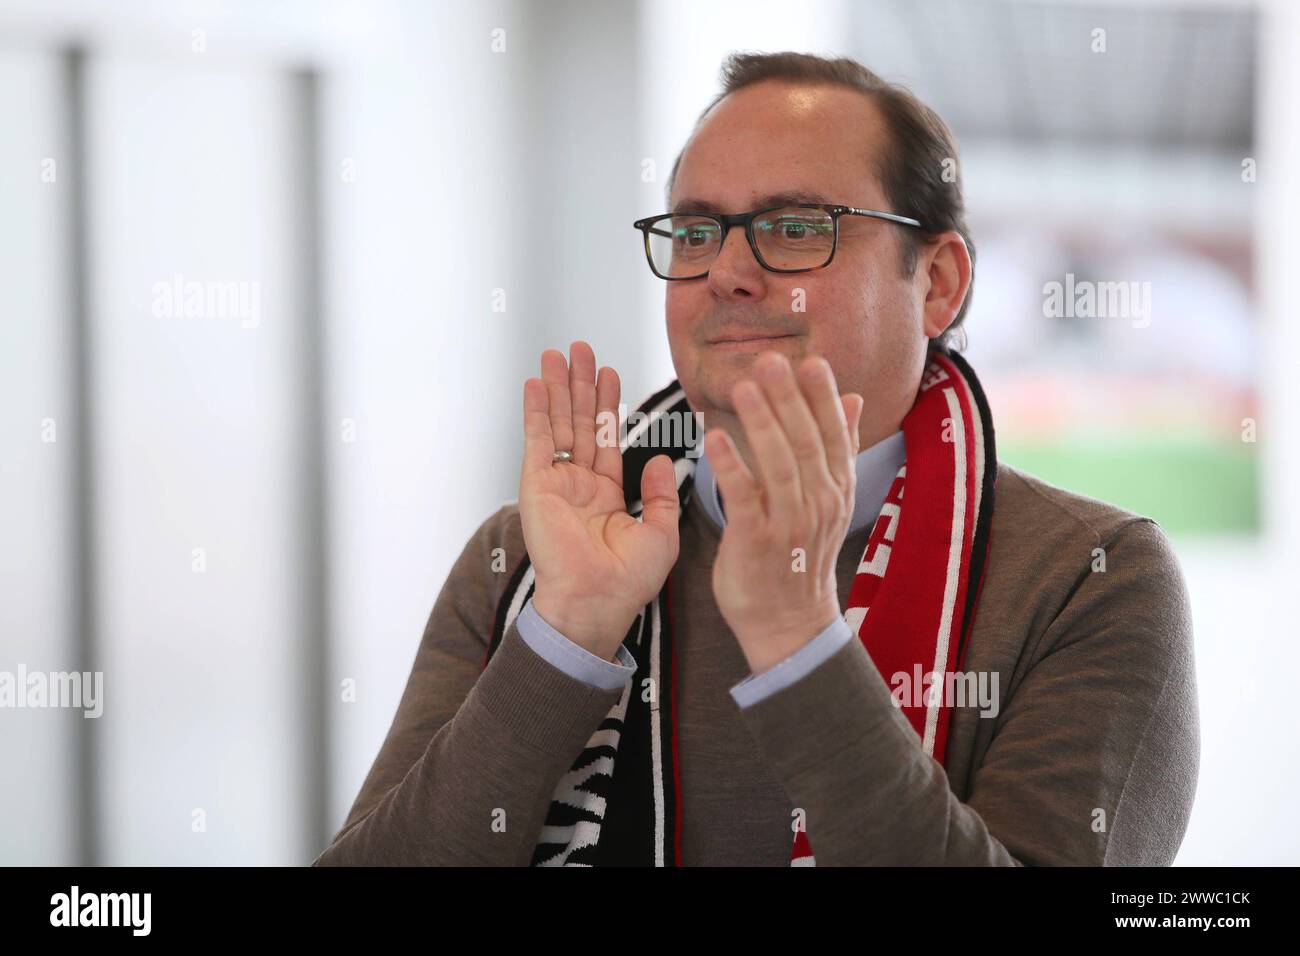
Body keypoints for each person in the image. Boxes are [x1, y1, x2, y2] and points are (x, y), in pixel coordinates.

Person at [313, 51, 1199, 867]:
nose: (728, 272)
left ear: (936, 283)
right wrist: (564, 639)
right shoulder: (530, 561)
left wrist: (798, 643)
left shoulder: (1090, 577)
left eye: (795, 225)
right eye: (697, 233)